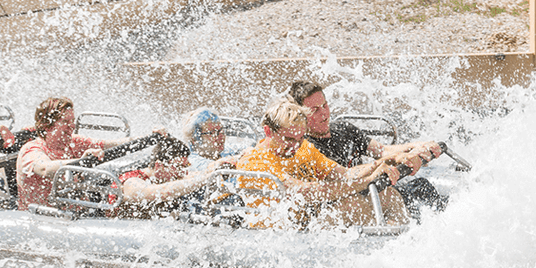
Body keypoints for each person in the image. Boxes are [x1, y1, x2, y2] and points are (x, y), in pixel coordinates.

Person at [234, 98, 406, 229]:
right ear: (268, 132)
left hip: (309, 219)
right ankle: (377, 248)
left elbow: (344, 174)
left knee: (388, 194)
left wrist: (382, 163)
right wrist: (366, 181)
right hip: (281, 230)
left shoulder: (304, 148)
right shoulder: (255, 161)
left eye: (300, 138)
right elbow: (306, 192)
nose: (295, 146)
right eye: (288, 139)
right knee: (353, 204)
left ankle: (398, 244)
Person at [287, 80, 447, 214]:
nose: (324, 114)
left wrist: (418, 146)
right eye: (315, 110)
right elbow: (345, 176)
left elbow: (382, 150)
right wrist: (392, 160)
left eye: (325, 105)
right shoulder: (306, 149)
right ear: (300, 115)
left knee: (422, 186)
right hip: (357, 201)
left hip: (378, 190)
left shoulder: (343, 129)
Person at [16, 97, 153, 210]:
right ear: (46, 125)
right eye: (65, 122)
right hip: (43, 217)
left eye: (72, 121)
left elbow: (114, 143)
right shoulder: (31, 150)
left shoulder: (72, 142)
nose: (72, 126)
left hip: (77, 209)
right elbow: (45, 168)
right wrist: (81, 161)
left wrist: (151, 137)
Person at [117, 137, 232, 218]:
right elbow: (162, 192)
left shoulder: (172, 175)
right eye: (179, 167)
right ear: (159, 165)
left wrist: (224, 164)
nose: (181, 173)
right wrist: (205, 179)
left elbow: (202, 173)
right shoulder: (131, 182)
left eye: (185, 167)